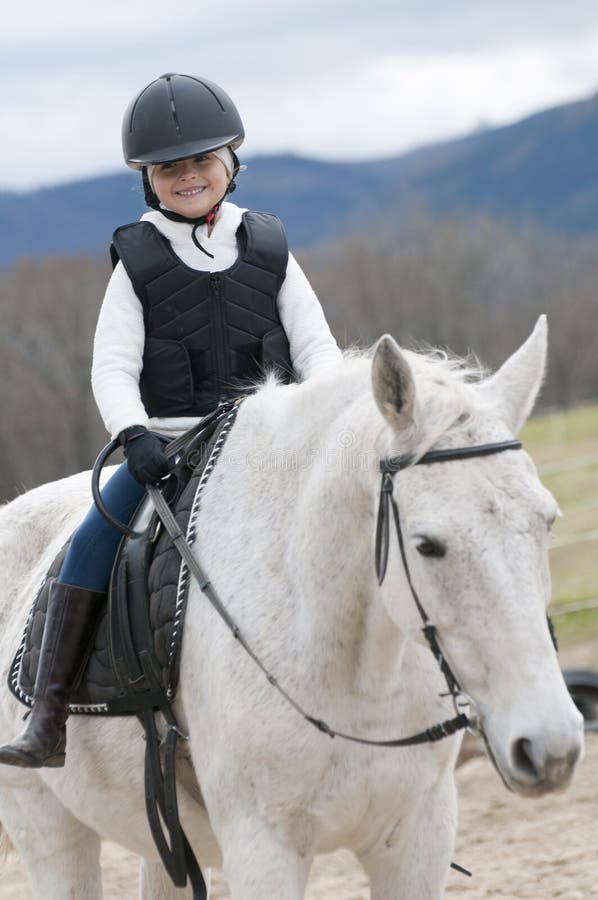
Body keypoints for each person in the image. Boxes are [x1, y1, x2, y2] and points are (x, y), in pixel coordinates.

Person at [0, 73, 342, 769]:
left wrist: (328, 414)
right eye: (169, 169)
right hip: (171, 446)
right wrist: (134, 435)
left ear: (230, 163)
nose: (188, 177)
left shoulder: (269, 245)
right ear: (149, 181)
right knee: (89, 542)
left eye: (201, 162)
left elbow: (317, 348)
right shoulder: (138, 259)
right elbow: (111, 367)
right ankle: (48, 714)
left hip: (269, 437)